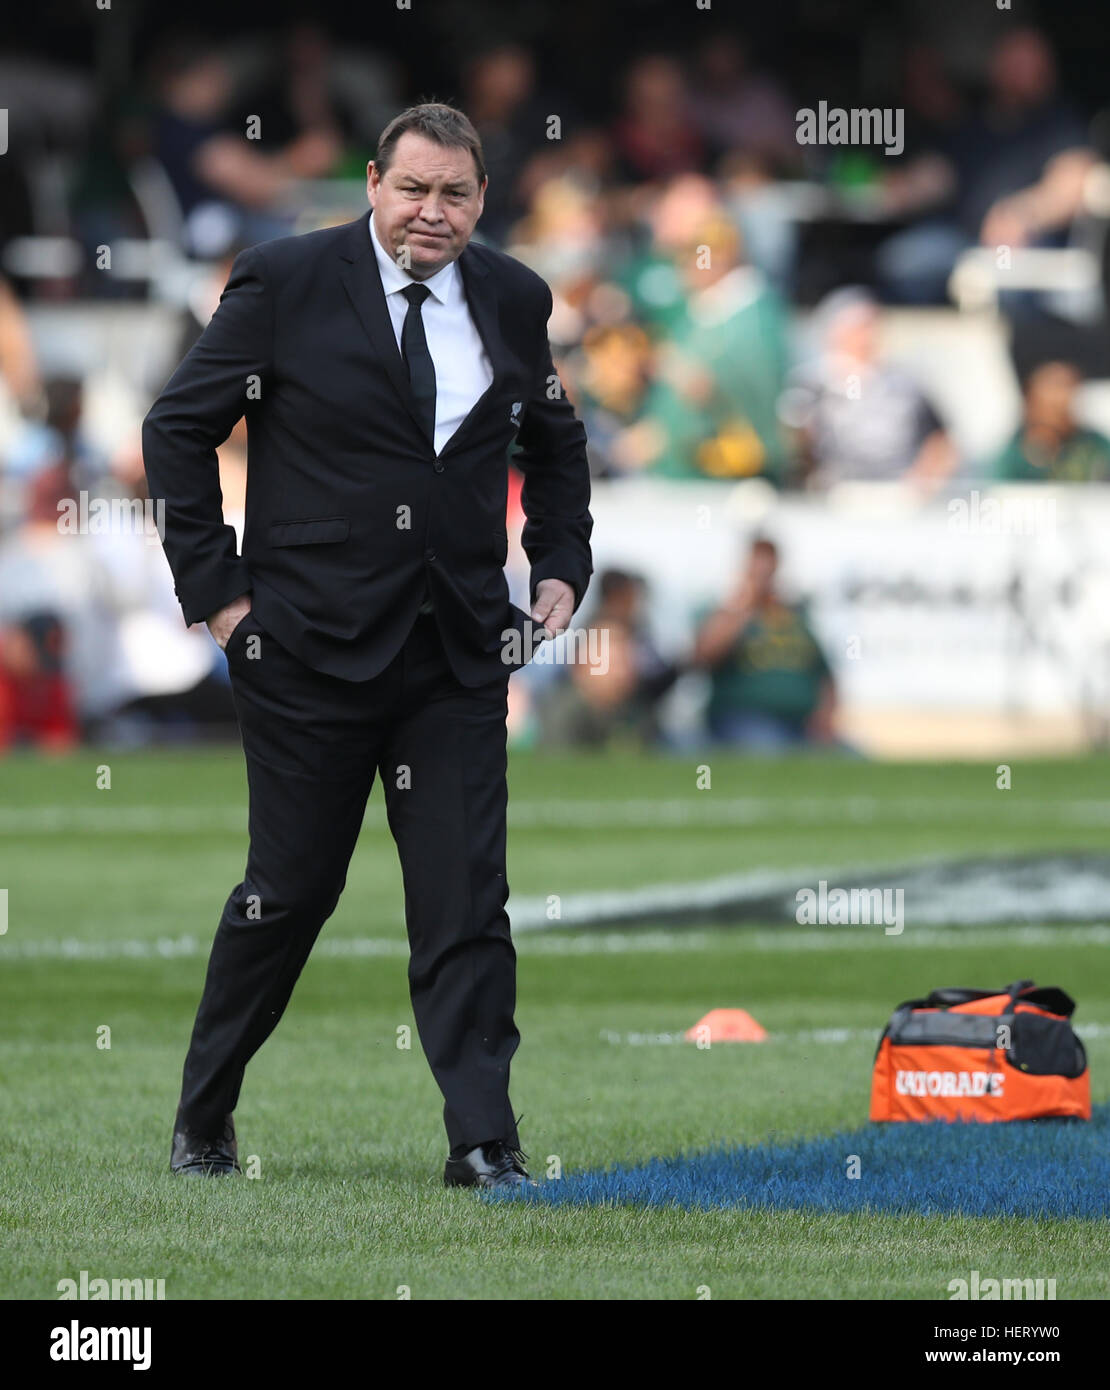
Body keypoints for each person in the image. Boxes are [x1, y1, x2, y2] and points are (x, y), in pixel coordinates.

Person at [142, 103, 593, 1190]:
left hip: (455, 653)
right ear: (372, 184)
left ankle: (482, 1140)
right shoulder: (284, 281)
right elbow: (177, 429)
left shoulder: (514, 297)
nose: (431, 213)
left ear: (483, 202)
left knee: (464, 897)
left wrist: (559, 566)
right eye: (414, 190)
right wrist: (222, 603)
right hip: (304, 649)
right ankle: (205, 1112)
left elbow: (557, 442)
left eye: (455, 195)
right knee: (287, 893)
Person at [692, 538, 838, 751]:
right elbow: (704, 656)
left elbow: (824, 674)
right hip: (742, 718)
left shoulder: (795, 617)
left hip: (802, 723)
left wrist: (824, 718)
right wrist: (746, 604)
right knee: (771, 750)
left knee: (851, 757)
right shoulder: (724, 612)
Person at [991, 360, 1110, 481]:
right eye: (1053, 389)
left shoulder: (1094, 445)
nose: (1062, 400)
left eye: (1069, 387)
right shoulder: (1012, 457)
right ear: (1030, 400)